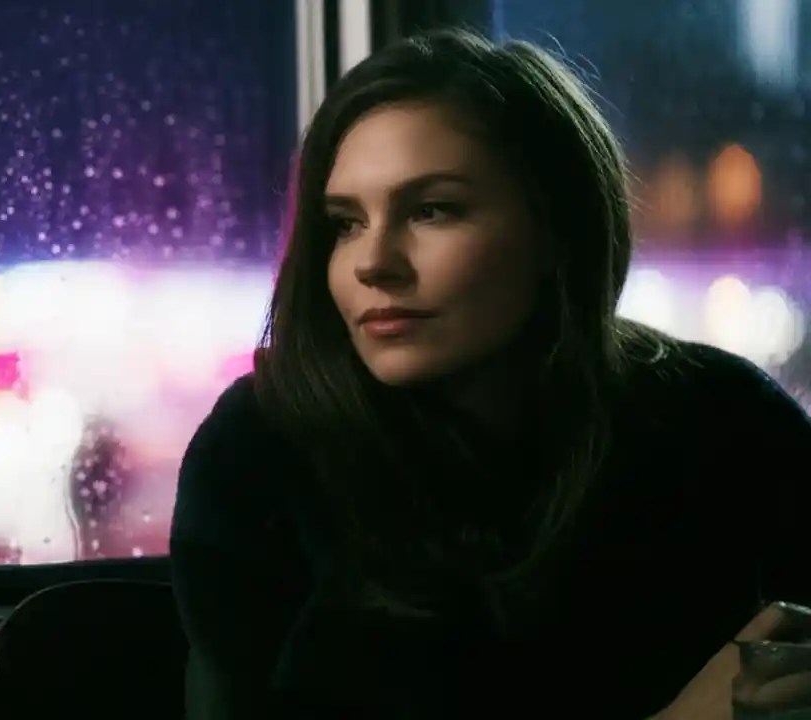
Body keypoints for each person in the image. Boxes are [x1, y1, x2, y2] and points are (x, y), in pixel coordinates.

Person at [170, 28, 811, 719]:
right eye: (345, 223)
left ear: (555, 229)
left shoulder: (722, 421)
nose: (373, 262)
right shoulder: (263, 450)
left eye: (431, 210)